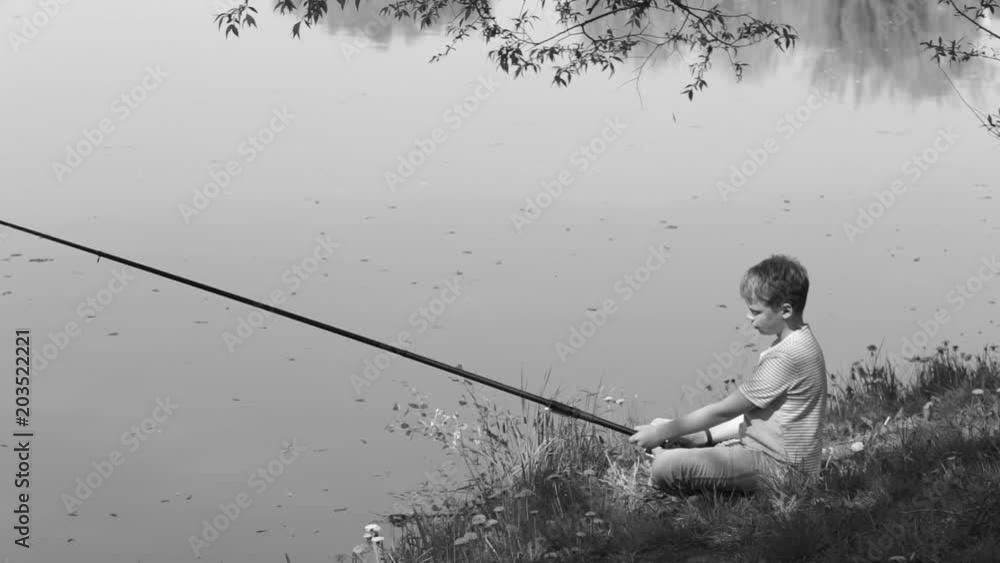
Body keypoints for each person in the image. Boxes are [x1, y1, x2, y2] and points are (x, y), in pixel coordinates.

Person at [629, 255, 827, 494]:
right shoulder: (800, 342)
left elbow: (724, 410)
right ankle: (689, 450)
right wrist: (701, 436)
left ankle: (665, 456)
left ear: (785, 310)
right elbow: (757, 415)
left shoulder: (786, 357)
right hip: (779, 461)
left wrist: (661, 435)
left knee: (665, 466)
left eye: (755, 311)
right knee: (667, 427)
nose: (748, 317)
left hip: (779, 470)